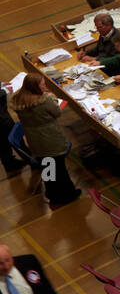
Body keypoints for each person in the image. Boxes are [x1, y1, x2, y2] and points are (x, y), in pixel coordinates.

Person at [10, 75, 79, 206]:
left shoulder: (19, 101)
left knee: (48, 167)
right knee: (60, 169)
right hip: (50, 139)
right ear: (35, 87)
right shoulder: (44, 101)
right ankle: (67, 195)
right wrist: (52, 97)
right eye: (42, 84)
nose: (44, 86)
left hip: (36, 142)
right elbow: (57, 112)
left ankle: (51, 192)